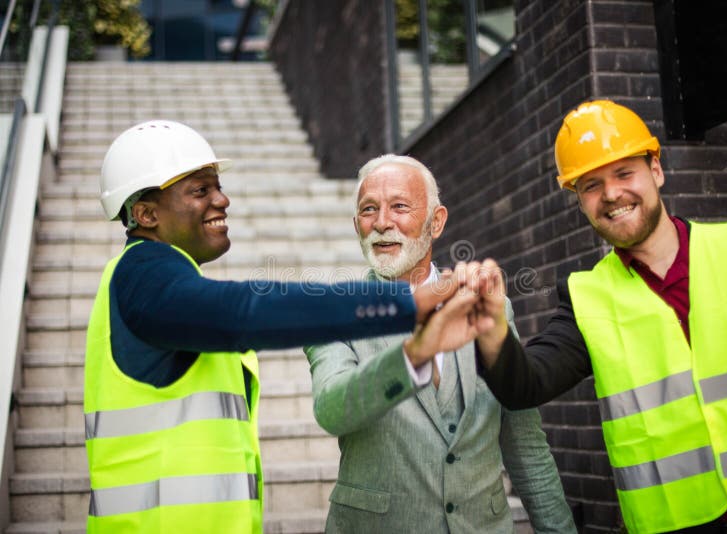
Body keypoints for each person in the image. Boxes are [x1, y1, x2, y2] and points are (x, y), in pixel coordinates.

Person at [83, 121, 477, 533]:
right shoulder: (143, 275)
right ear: (146, 214)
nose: (223, 199)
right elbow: (243, 310)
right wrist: (403, 302)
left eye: (217, 186)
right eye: (200, 191)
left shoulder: (151, 278)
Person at [472, 100, 727, 533]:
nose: (610, 194)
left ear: (656, 171)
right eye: (590, 185)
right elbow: (525, 384)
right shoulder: (584, 296)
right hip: (676, 523)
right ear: (580, 201)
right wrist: (492, 328)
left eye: (624, 173)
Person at [303, 154, 576, 533]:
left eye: (399, 206)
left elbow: (524, 444)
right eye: (369, 210)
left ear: (437, 222)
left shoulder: (491, 306)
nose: (382, 223)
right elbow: (333, 409)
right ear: (356, 226)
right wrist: (417, 353)